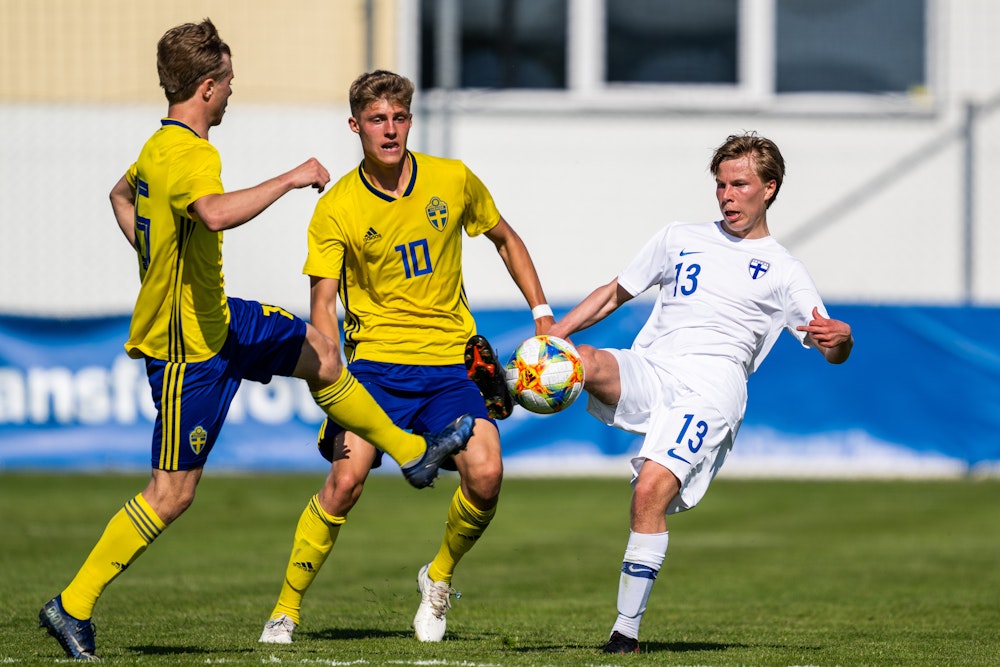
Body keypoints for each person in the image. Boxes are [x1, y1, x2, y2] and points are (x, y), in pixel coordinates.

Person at [37, 22, 473, 662]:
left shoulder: (155, 149)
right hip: (190, 351)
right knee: (172, 493)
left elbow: (120, 194)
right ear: (207, 88)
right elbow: (211, 212)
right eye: (229, 85)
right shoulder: (192, 154)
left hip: (222, 319)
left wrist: (156, 255)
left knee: (323, 353)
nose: (232, 94)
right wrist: (290, 178)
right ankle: (71, 605)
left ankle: (411, 452)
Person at [258, 69, 553, 645]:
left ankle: (437, 580)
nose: (389, 130)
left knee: (488, 475)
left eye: (398, 118)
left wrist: (542, 314)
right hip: (372, 371)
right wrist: (328, 373)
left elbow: (506, 239)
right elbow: (322, 302)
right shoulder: (337, 206)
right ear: (356, 126)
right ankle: (285, 609)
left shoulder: (453, 179)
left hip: (448, 366)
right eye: (376, 120)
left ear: (409, 121)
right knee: (345, 482)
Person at [547, 133, 854, 654]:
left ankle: (625, 635)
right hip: (655, 367)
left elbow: (829, 347)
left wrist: (841, 340)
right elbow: (616, 292)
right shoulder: (678, 237)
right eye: (720, 185)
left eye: (740, 185)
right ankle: (505, 389)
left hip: (711, 391)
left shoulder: (784, 270)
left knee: (648, 493)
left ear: (769, 189)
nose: (727, 196)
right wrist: (552, 337)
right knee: (580, 360)